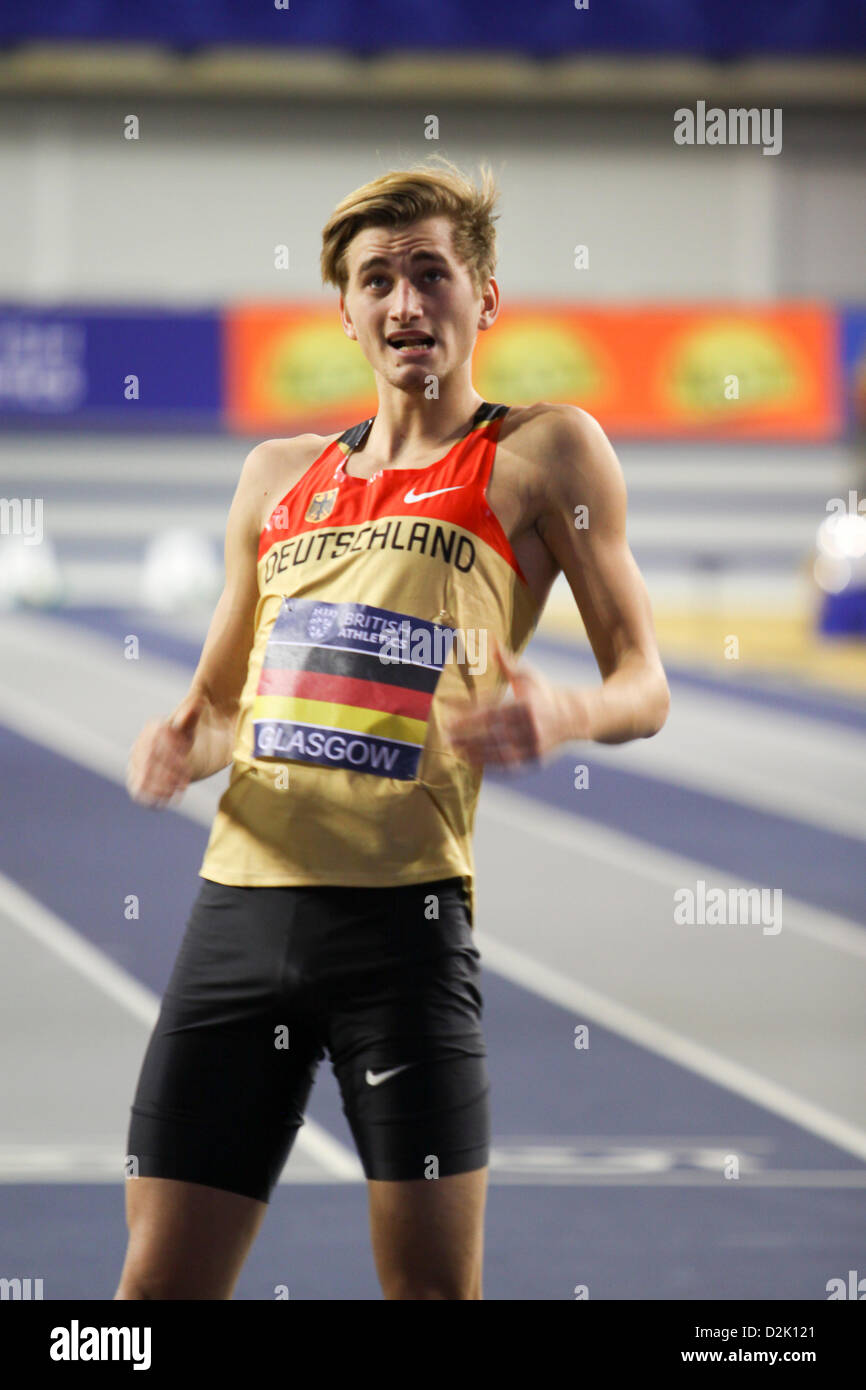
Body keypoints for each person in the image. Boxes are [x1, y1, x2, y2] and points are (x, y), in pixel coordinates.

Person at [115, 156, 670, 1301]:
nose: (405, 302)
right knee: (155, 1300)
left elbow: (644, 684)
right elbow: (222, 708)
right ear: (346, 311)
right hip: (236, 924)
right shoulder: (277, 477)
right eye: (378, 279)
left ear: (484, 297)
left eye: (431, 273)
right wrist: (185, 738)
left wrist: (561, 710)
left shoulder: (542, 453)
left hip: (402, 936)